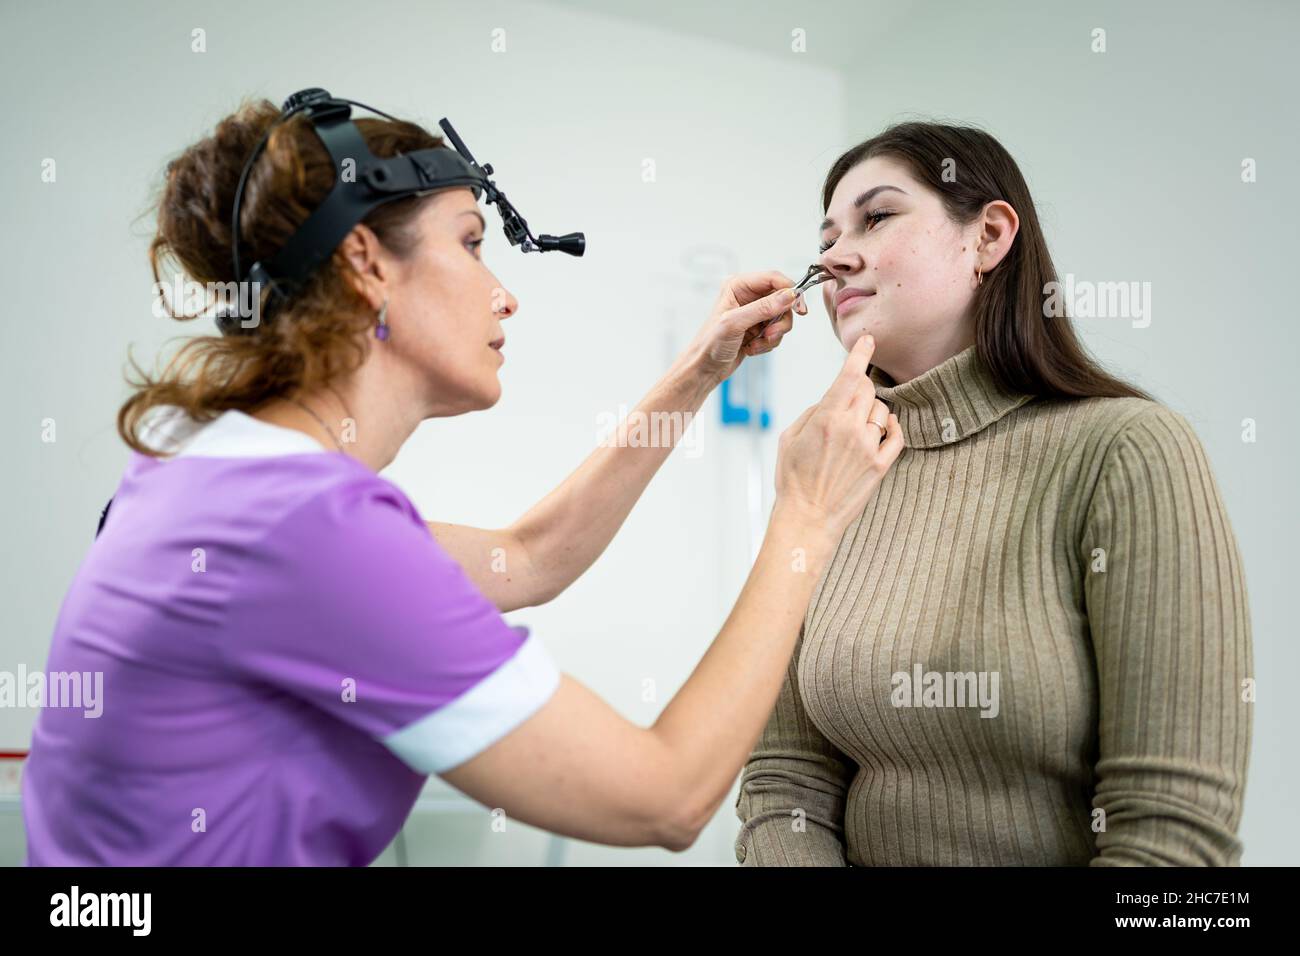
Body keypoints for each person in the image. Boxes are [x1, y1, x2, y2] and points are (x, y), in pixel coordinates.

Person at [21, 98, 904, 865]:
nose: (504, 295)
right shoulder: (303, 533)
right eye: (473, 244)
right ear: (365, 262)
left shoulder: (211, 480)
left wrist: (697, 373)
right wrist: (808, 515)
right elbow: (665, 798)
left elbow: (531, 559)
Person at [735, 121, 1253, 866]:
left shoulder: (1129, 451)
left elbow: (1173, 834)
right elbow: (785, 784)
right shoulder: (830, 477)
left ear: (988, 237)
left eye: (875, 217)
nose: (833, 256)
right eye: (826, 236)